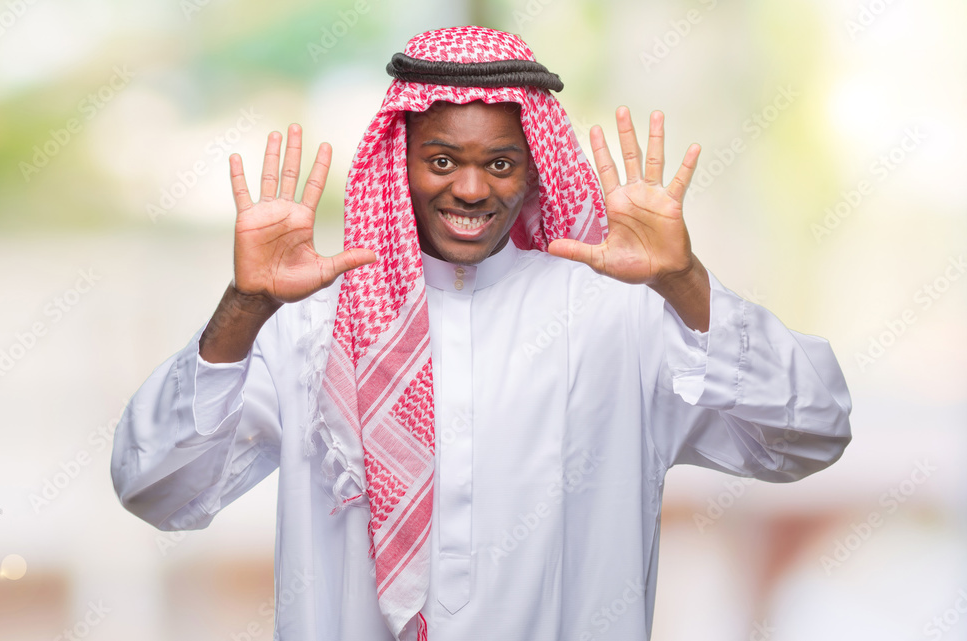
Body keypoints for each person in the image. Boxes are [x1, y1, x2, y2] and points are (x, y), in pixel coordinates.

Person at [111, 26, 852, 641]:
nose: (470, 189)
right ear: (399, 163)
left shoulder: (620, 316)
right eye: (442, 160)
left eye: (499, 163)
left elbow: (815, 429)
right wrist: (244, 305)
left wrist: (684, 280)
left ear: (534, 169)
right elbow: (156, 489)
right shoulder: (311, 325)